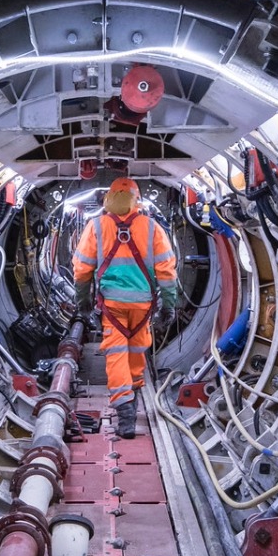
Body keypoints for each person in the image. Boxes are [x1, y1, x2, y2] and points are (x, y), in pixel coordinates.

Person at [72, 177, 179, 437]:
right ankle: (133, 396)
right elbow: (166, 271)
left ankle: (125, 411)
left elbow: (82, 269)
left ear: (108, 198)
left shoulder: (96, 226)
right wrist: (168, 305)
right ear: (137, 200)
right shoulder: (152, 228)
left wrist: (83, 303)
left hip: (112, 306)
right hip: (143, 305)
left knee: (117, 354)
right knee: (136, 351)